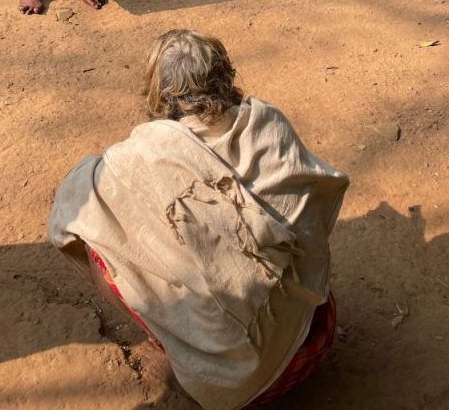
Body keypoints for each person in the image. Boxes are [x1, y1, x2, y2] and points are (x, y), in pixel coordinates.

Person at [49, 29, 349, 410]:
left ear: (158, 93)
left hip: (233, 389)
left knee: (100, 239)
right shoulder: (267, 123)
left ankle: (182, 349)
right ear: (224, 75)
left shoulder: (135, 159)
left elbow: (65, 218)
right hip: (313, 335)